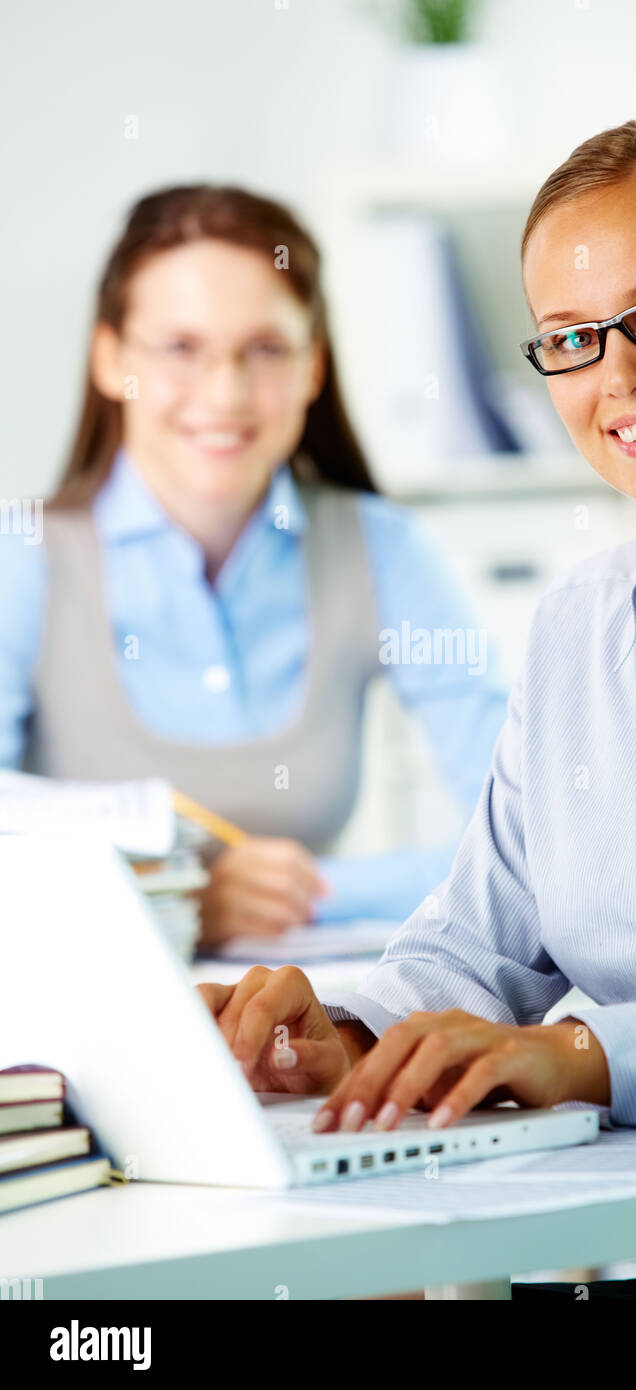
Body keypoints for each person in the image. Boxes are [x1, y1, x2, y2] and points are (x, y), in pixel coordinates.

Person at [198, 112, 636, 1299]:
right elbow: (476, 944)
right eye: (568, 338)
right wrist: (337, 1035)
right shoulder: (574, 628)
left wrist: (579, 1054)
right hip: (597, 1257)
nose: (619, 376)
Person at [0, 185, 509, 944]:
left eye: (265, 349)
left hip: (312, 1007)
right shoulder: (25, 559)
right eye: (180, 348)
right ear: (111, 361)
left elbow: (523, 830)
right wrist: (176, 898)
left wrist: (302, 891)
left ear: (313, 368)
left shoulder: (382, 548)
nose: (226, 392)